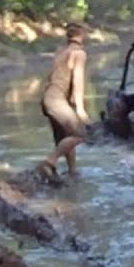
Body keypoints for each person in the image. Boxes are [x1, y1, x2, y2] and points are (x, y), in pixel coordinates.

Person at [38, 23, 89, 179]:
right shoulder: (79, 53)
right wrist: (80, 108)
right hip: (57, 99)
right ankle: (49, 161)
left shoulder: (60, 52)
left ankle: (72, 172)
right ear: (82, 35)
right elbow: (78, 80)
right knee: (80, 134)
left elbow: (52, 77)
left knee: (64, 137)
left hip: (48, 98)